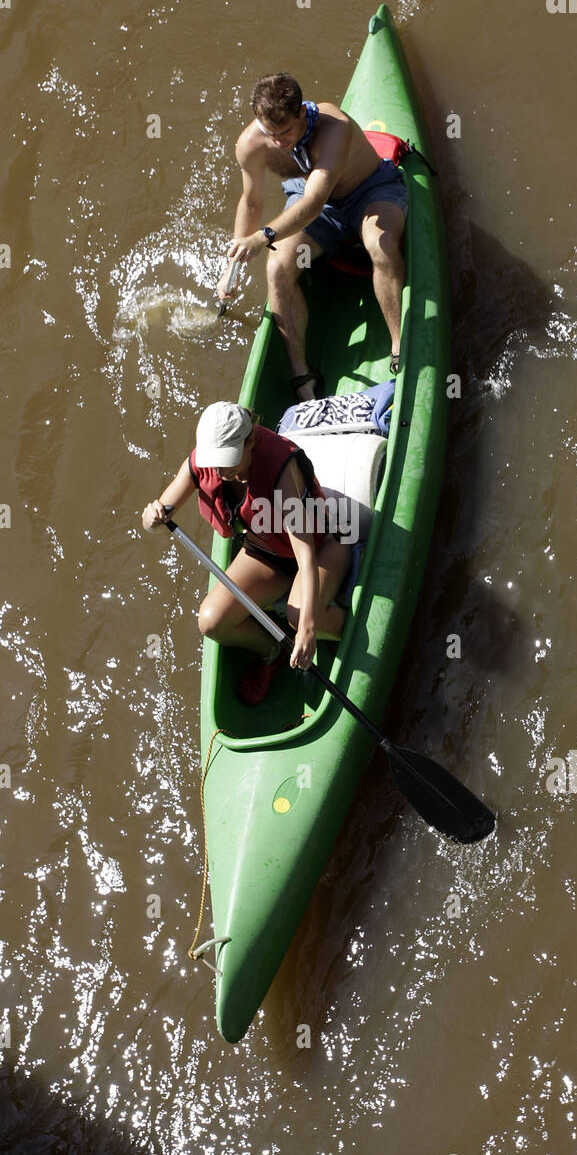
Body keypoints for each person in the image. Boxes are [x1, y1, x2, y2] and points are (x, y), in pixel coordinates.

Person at [142, 402, 351, 705]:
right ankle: (271, 651)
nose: (219, 470)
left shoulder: (279, 470)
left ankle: (351, 632)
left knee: (298, 613)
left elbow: (305, 556)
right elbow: (159, 511)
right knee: (211, 621)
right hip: (267, 554)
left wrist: (306, 628)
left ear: (250, 441)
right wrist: (152, 517)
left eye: (228, 460)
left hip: (321, 548)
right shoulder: (207, 463)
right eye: (214, 461)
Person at [215, 73, 408, 401]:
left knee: (380, 245)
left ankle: (399, 344)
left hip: (368, 193)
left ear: (302, 112)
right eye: (269, 133)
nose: (278, 142)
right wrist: (233, 263)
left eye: (286, 131)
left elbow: (313, 202)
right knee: (276, 268)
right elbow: (251, 200)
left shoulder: (334, 126)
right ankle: (302, 376)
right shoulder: (250, 144)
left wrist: (263, 237)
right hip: (320, 211)